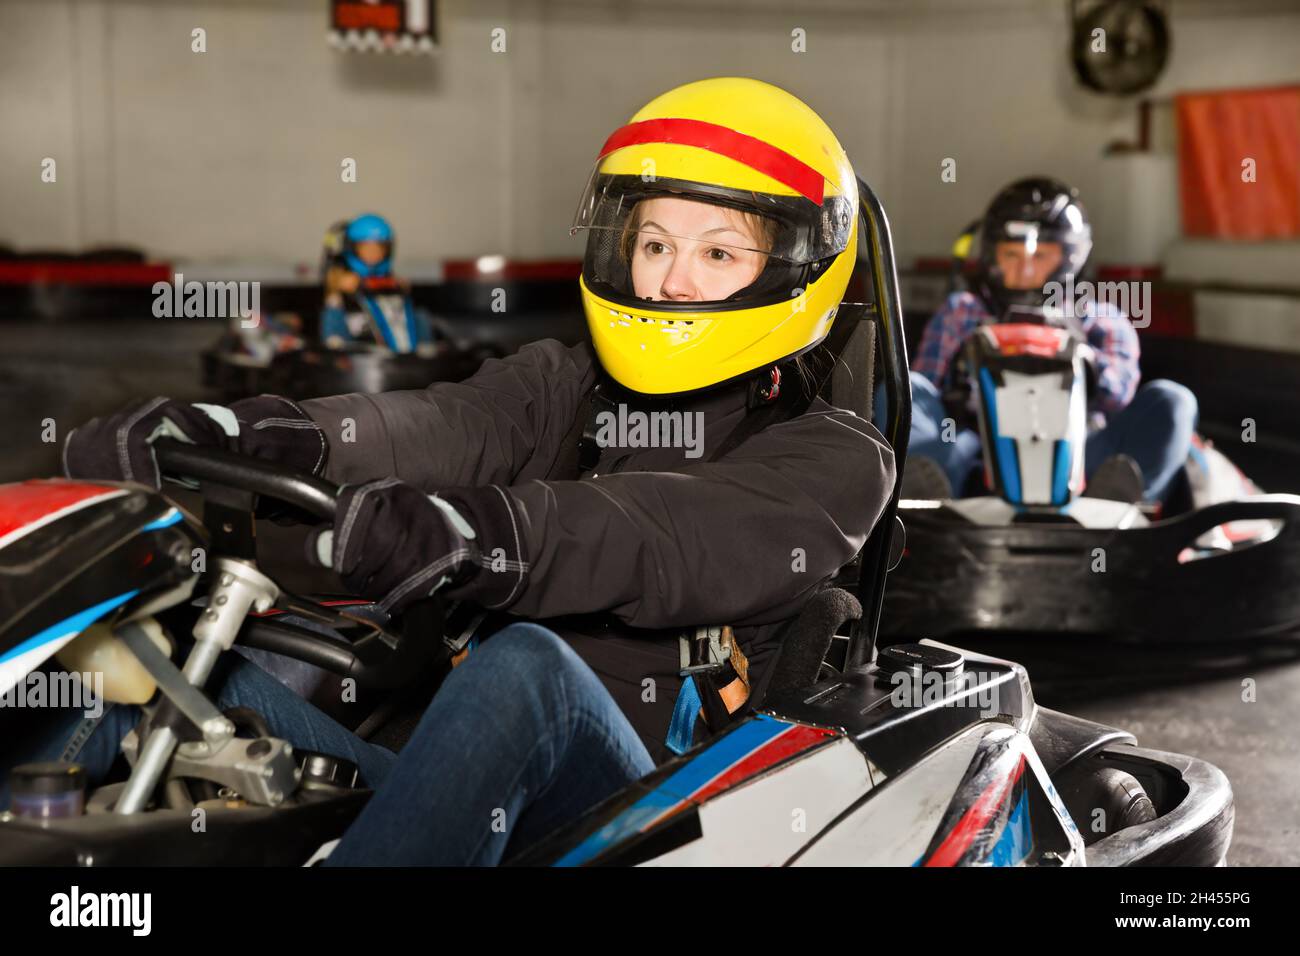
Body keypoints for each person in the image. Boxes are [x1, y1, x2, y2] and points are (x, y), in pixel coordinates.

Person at [23, 78, 895, 864]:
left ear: (795, 275)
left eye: (717, 254)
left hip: (649, 819)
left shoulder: (834, 458)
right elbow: (433, 424)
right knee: (137, 646)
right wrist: (250, 431)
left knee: (528, 669)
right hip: (446, 784)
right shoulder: (566, 387)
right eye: (656, 243)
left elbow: (654, 532)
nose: (670, 282)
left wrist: (477, 533)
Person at [906, 177, 1197, 503]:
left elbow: (1119, 397)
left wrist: (1077, 357)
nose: (1024, 270)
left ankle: (1110, 506)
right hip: (971, 459)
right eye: (1011, 255)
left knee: (1174, 400)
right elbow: (921, 396)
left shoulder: (1098, 317)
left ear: (1069, 258)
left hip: (1083, 462)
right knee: (905, 388)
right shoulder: (962, 310)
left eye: (1040, 256)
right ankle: (929, 494)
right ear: (992, 257)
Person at [320, 214, 434, 353]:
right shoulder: (342, 274)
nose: (374, 253)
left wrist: (400, 287)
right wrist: (342, 286)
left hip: (389, 337)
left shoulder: (390, 277)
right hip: (358, 344)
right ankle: (337, 352)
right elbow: (332, 284)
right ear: (353, 248)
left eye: (379, 248)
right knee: (333, 308)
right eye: (367, 248)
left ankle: (424, 352)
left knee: (421, 314)